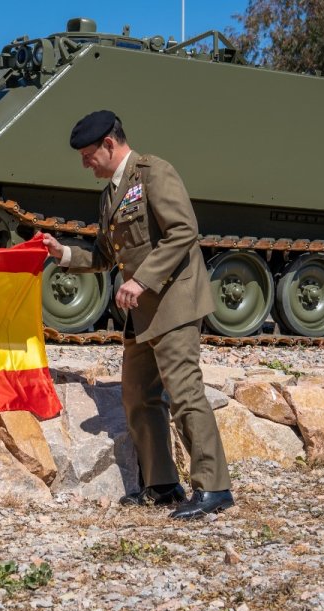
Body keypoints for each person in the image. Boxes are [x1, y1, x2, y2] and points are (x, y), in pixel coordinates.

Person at [41, 110, 234, 520]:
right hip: (143, 313)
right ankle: (162, 484)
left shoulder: (154, 173)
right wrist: (64, 254)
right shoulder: (110, 192)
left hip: (173, 302)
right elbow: (105, 255)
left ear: (110, 144)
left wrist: (142, 280)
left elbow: (184, 231)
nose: (83, 163)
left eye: (88, 153)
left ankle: (214, 488)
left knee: (183, 393)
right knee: (137, 396)